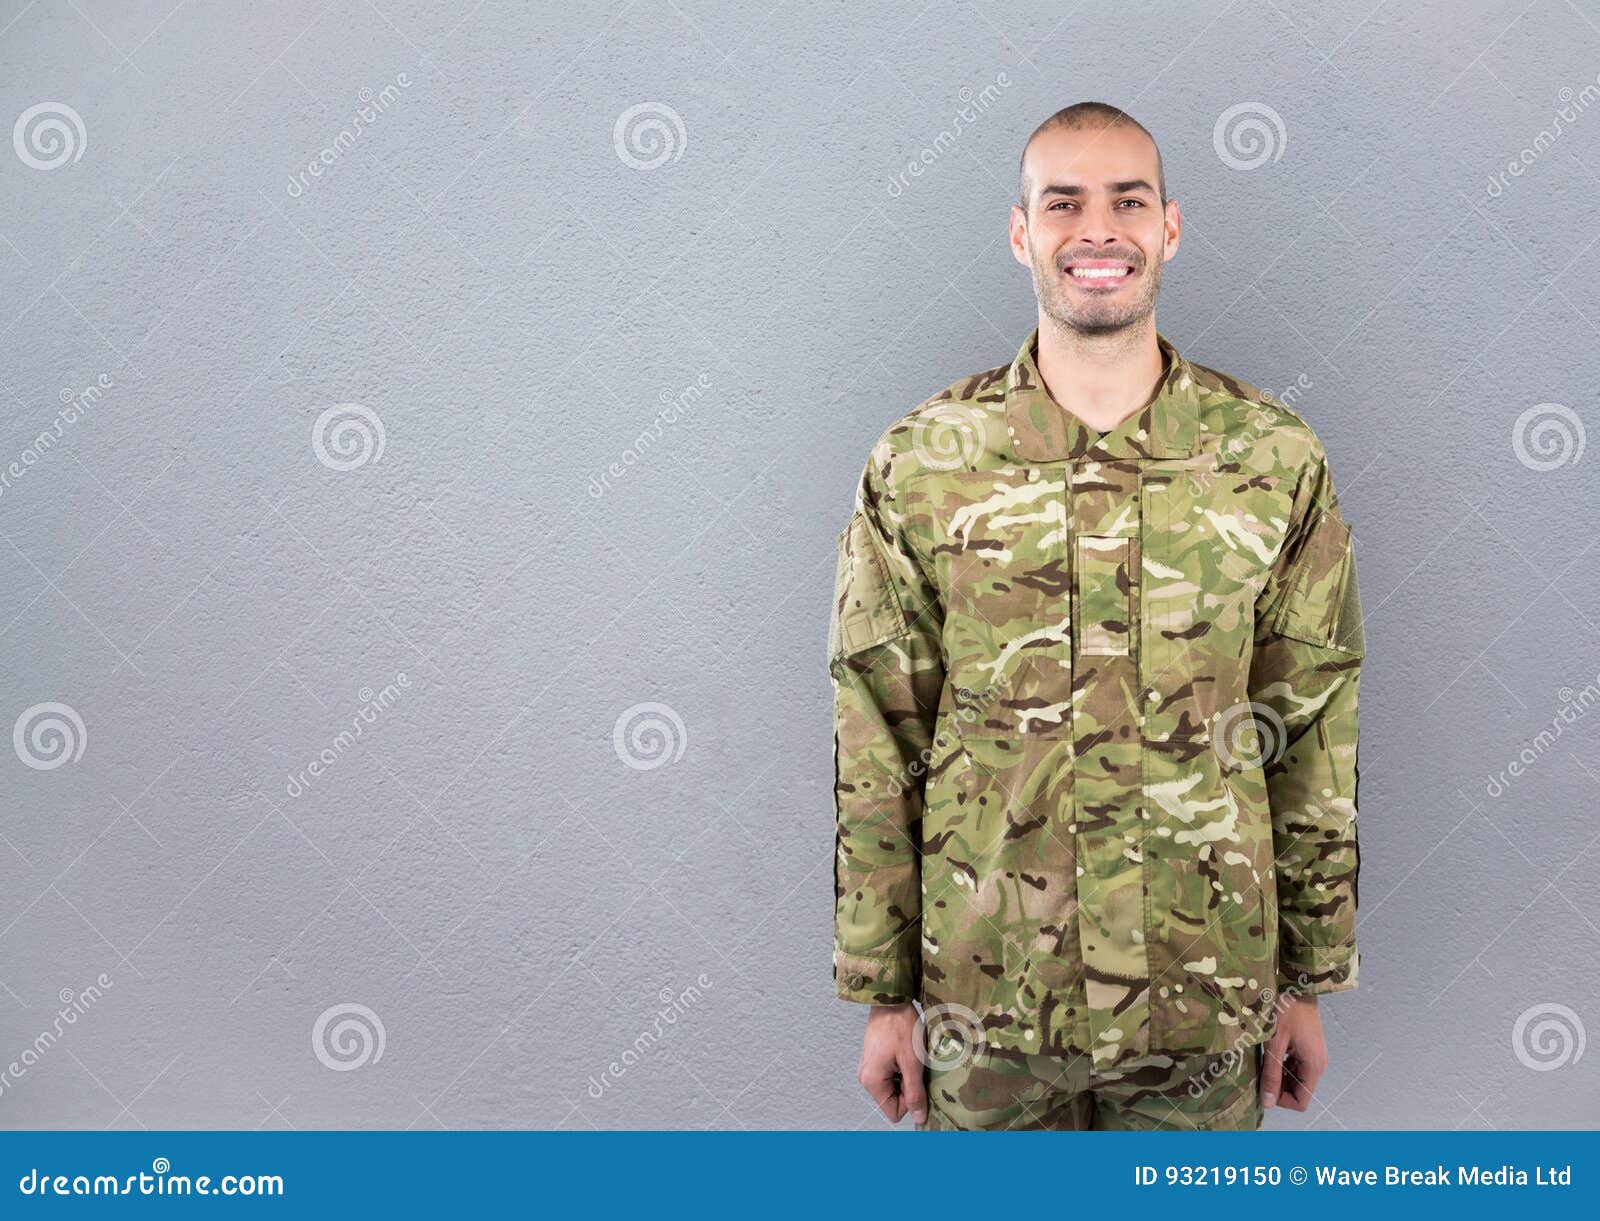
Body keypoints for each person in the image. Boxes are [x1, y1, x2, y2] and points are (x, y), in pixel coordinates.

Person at [827, 102, 1365, 1131]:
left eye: (1126, 201)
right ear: (1022, 232)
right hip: (986, 1006)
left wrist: (1306, 980)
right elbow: (878, 730)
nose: (1097, 230)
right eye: (1062, 203)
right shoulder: (923, 462)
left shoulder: (1271, 458)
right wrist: (883, 994)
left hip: (1205, 1001)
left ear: (1168, 226)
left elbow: (1309, 730)